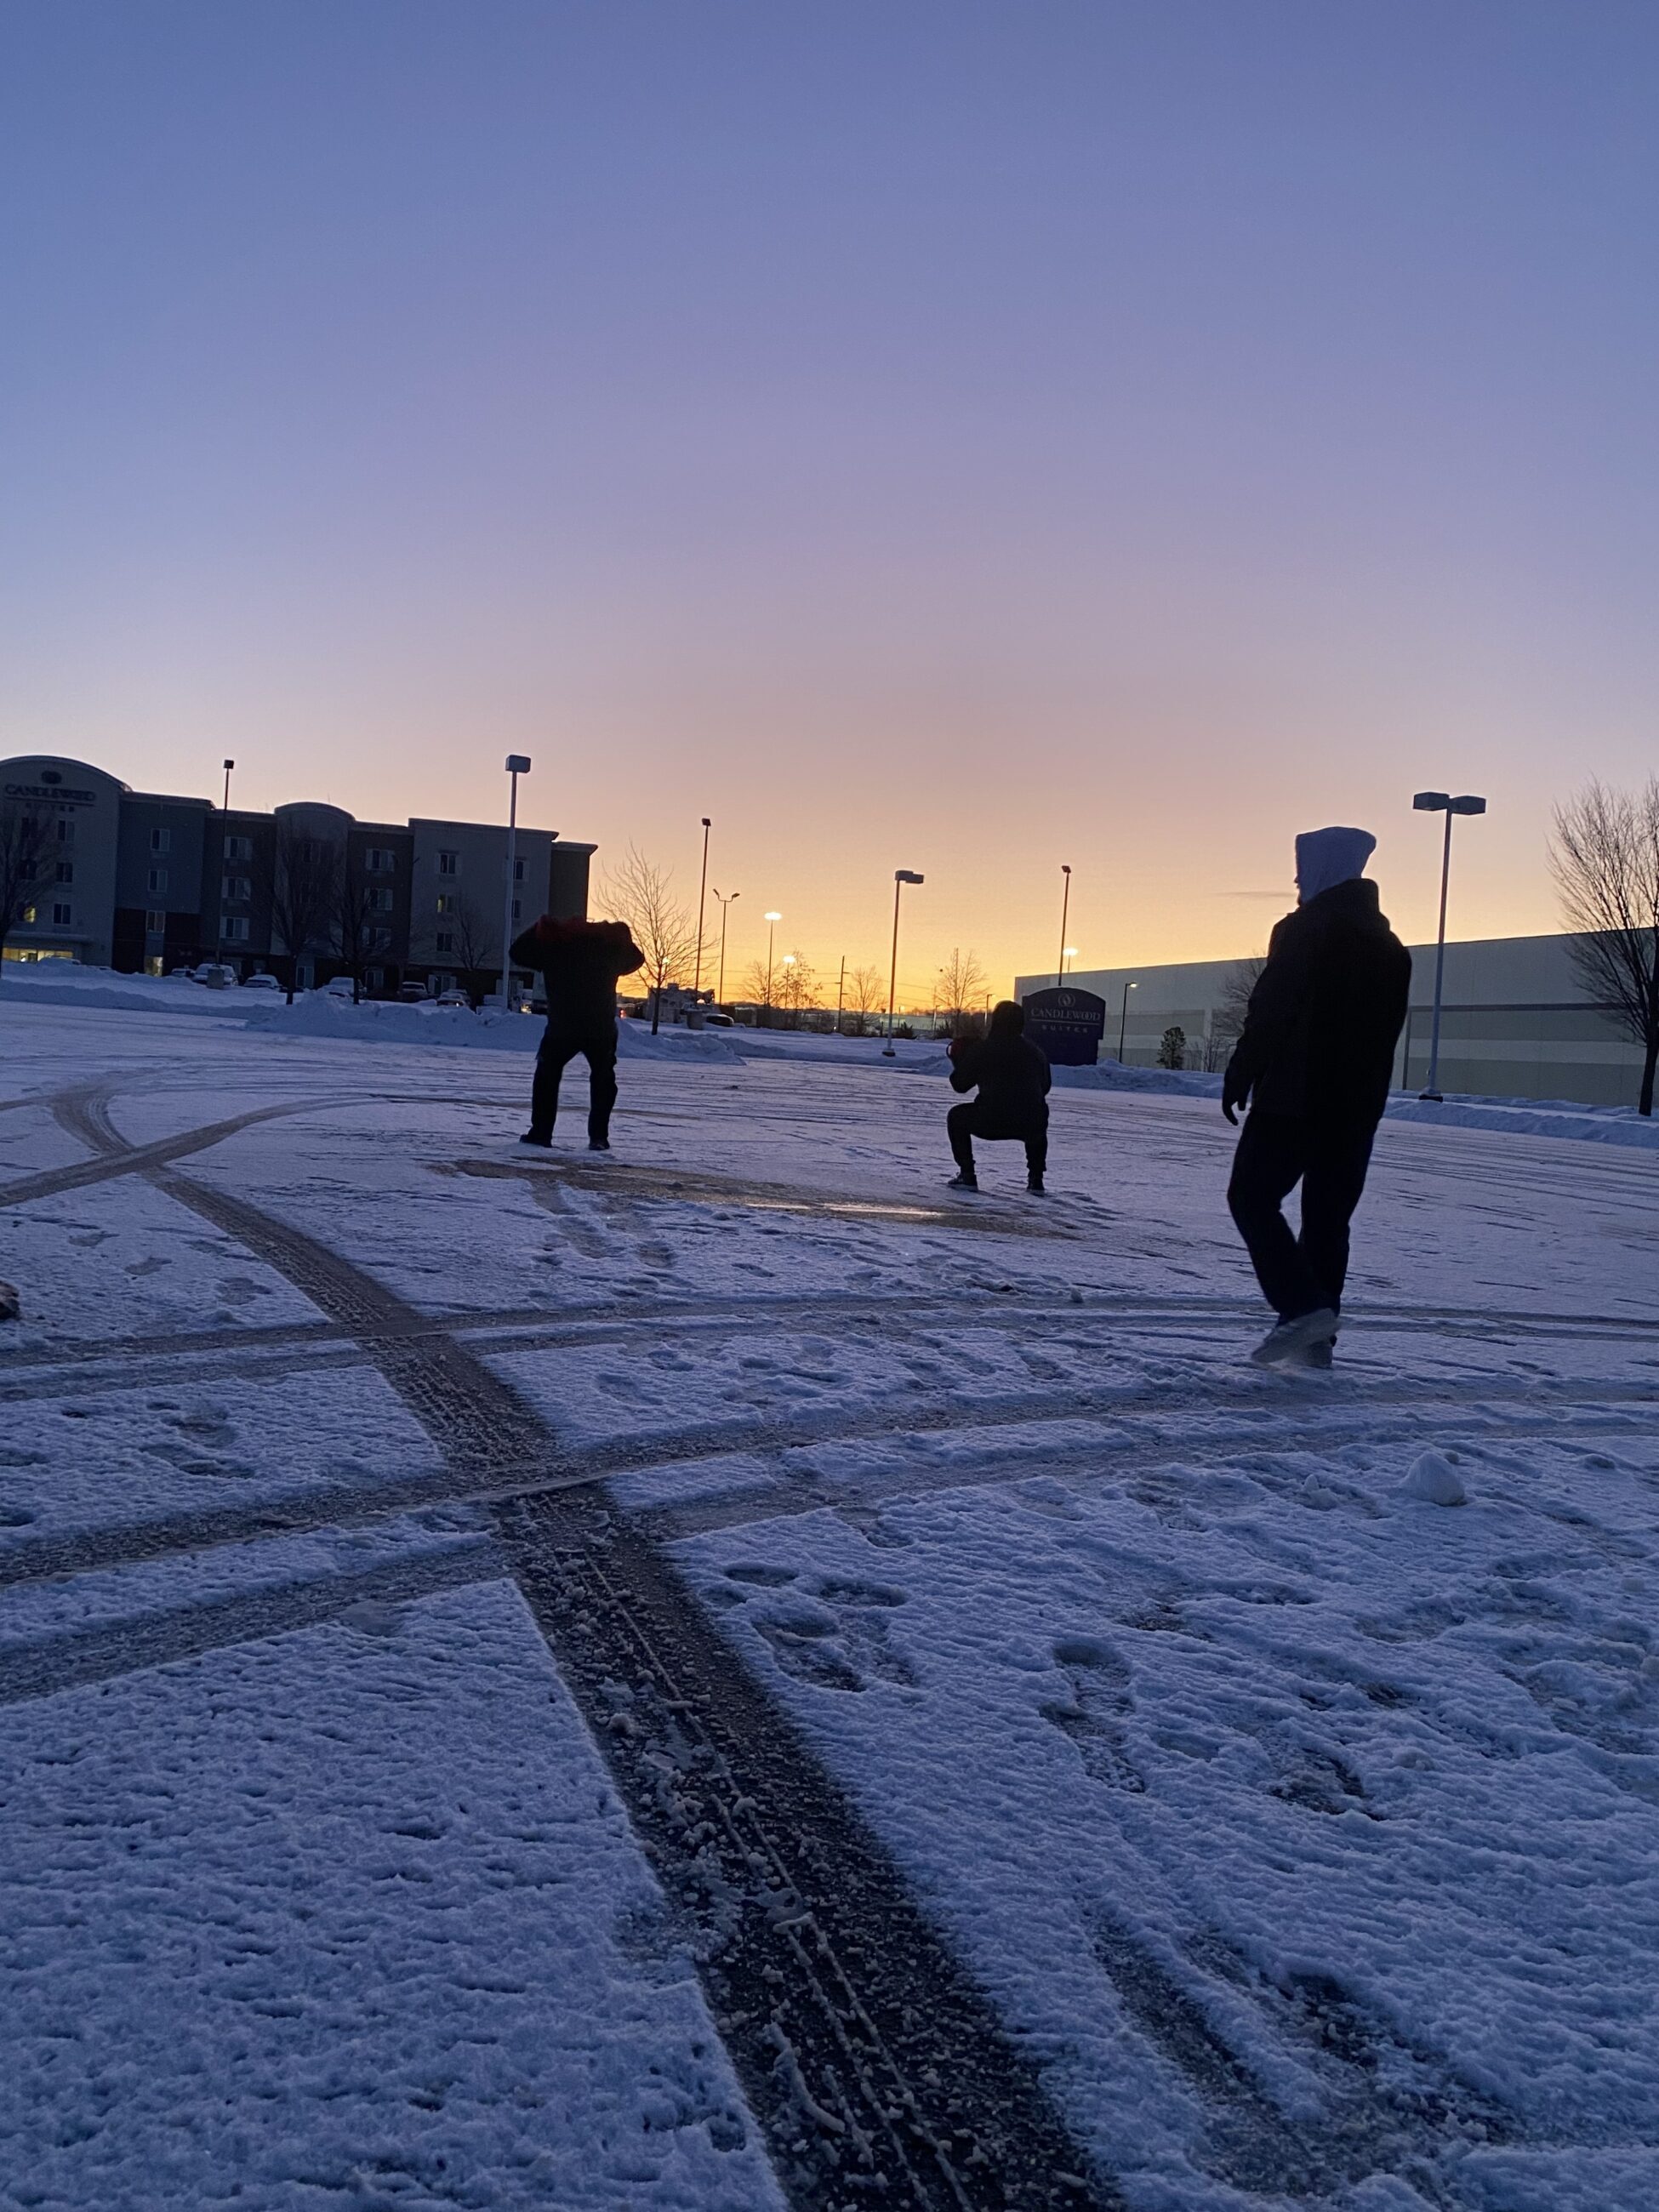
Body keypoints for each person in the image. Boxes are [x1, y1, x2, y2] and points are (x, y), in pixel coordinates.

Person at [1223, 826, 1411, 1366]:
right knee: (1328, 1219)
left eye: (1303, 868)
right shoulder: (1391, 948)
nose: (1297, 880)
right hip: (1356, 1107)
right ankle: (1316, 1344)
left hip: (1296, 1094)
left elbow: (1273, 1008)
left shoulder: (1304, 929)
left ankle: (1302, 1309)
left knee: (1251, 1197)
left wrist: (1243, 1069)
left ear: (1324, 869)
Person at [508, 914, 645, 1150]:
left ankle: (541, 1133)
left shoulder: (556, 946)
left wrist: (539, 927)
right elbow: (635, 959)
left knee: (547, 1077)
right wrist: (620, 934)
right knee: (603, 1079)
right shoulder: (607, 949)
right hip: (600, 1027)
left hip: (563, 1026)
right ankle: (599, 1138)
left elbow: (517, 953)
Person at [945, 1000, 1052, 1193]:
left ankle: (967, 1174)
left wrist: (960, 1060)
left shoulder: (983, 1049)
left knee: (956, 1117)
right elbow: (1045, 1087)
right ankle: (1036, 1179)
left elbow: (960, 1085)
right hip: (1029, 1122)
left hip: (992, 1119)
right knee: (1038, 1114)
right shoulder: (1036, 1052)